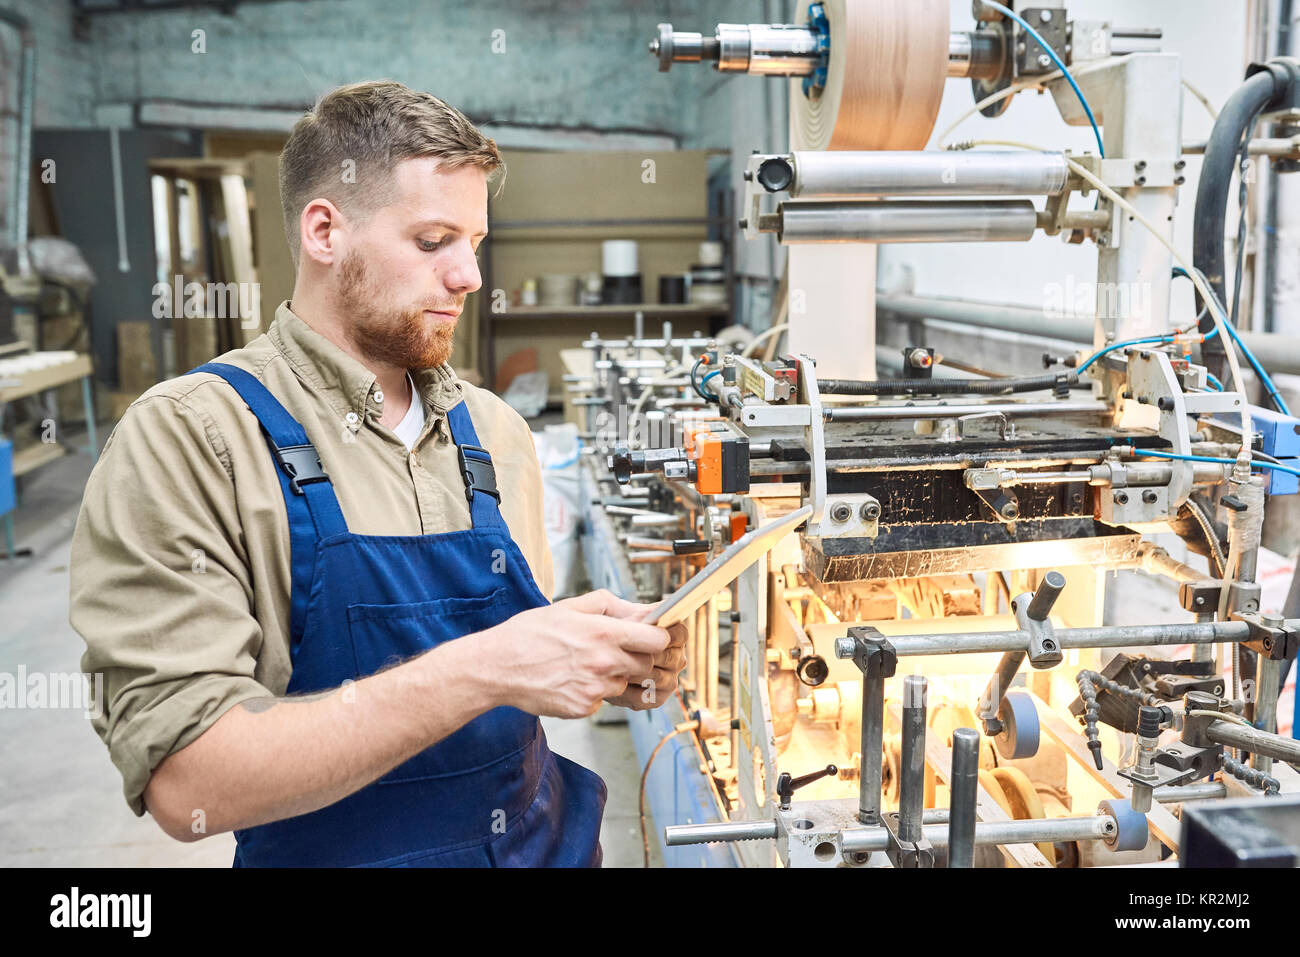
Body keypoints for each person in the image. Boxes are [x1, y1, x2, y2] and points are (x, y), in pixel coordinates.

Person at [70, 81, 687, 867]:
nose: (468, 275)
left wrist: (596, 657)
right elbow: (190, 785)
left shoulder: (495, 433)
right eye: (434, 241)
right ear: (325, 230)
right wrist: (488, 664)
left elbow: (509, 690)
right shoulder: (193, 438)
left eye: (474, 241)